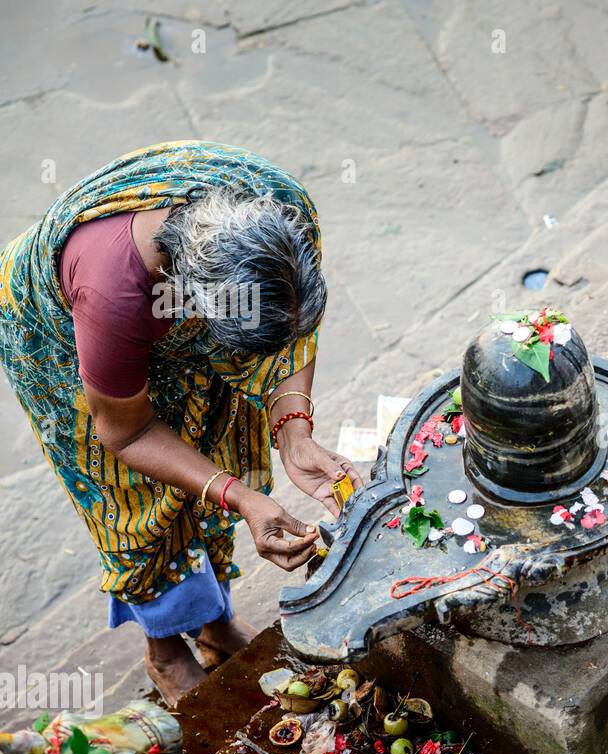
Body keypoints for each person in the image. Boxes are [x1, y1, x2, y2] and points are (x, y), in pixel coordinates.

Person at [0, 141, 362, 704]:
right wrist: (239, 497)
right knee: (138, 501)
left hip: (170, 308)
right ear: (189, 306)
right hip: (64, 340)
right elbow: (128, 433)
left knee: (222, 438)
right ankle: (164, 649)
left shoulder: (286, 214)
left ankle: (213, 622)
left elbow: (291, 336)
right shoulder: (114, 295)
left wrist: (295, 431)